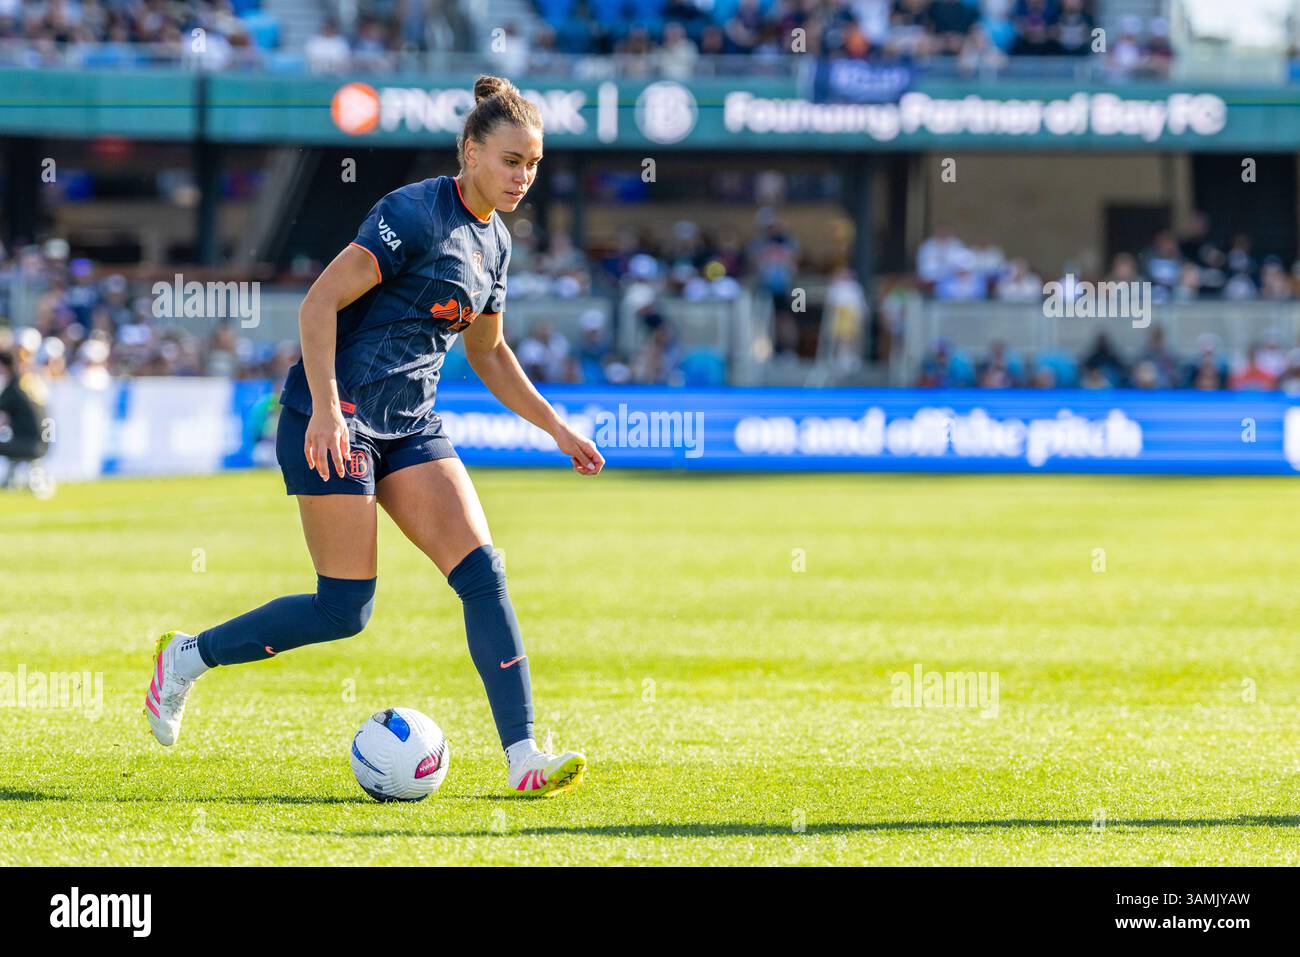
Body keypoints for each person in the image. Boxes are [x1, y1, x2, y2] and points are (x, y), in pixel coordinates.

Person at [141, 75, 604, 798]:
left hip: (410, 425)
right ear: (471, 152)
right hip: (335, 418)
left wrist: (556, 427)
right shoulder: (413, 213)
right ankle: (186, 658)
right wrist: (327, 406)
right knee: (343, 609)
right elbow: (320, 300)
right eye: (512, 160)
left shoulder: (498, 244)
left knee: (484, 574)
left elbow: (487, 351)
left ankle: (523, 758)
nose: (524, 176)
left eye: (535, 163)